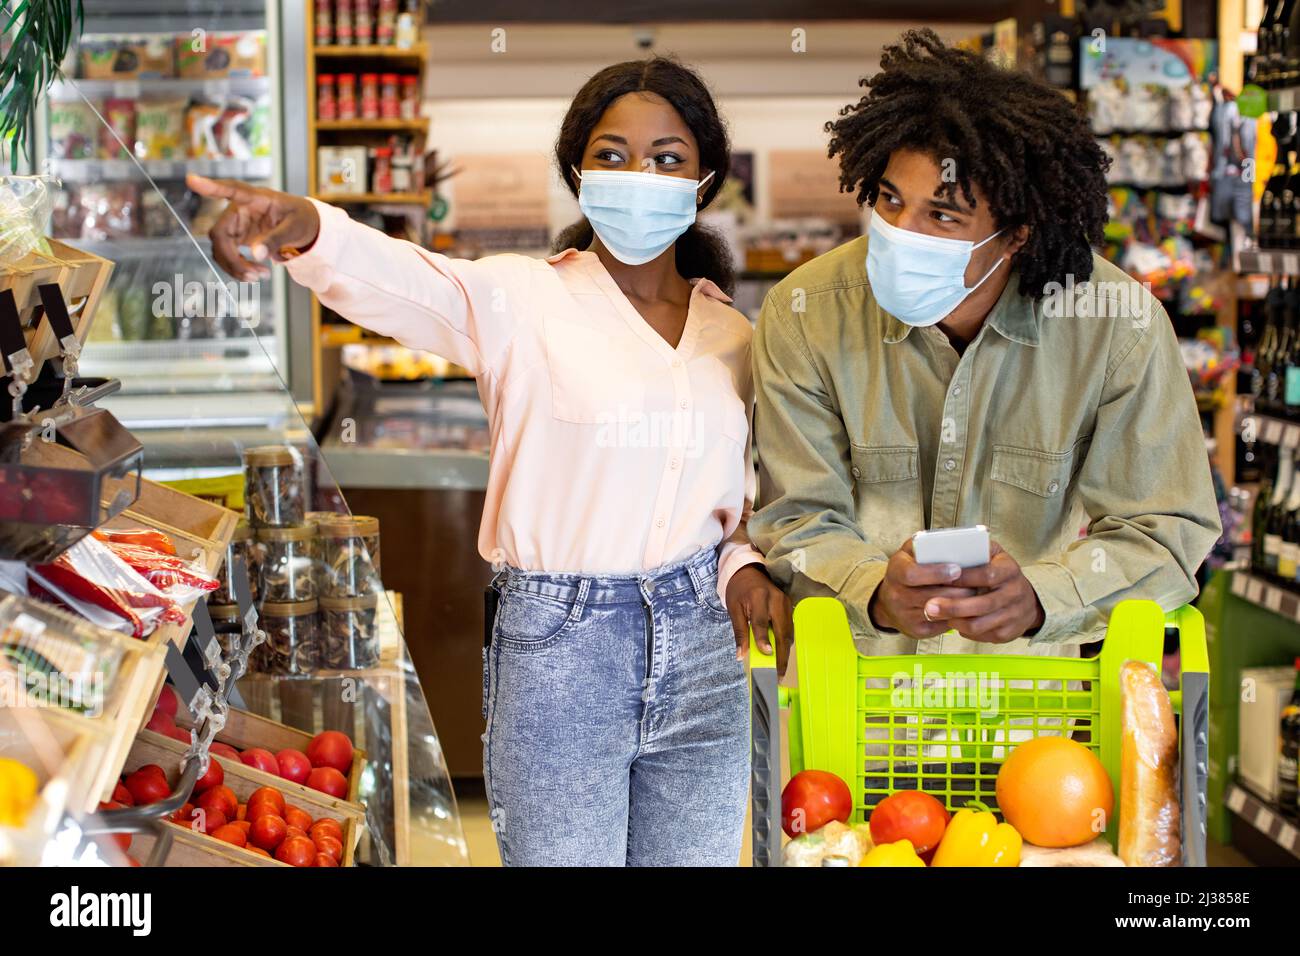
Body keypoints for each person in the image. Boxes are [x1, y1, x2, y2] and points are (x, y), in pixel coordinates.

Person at [190, 55, 793, 867]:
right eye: (612, 155)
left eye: (666, 157)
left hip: (702, 645)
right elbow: (405, 281)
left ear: (704, 178)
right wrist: (304, 223)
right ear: (577, 172)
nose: (639, 175)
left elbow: (741, 499)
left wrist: (744, 563)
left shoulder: (736, 336)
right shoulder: (519, 298)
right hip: (561, 646)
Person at [749, 30, 1221, 656]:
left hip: (1037, 710)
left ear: (1016, 236)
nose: (901, 232)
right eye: (890, 200)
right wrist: (871, 591)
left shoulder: (1116, 325)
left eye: (942, 216)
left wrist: (1045, 596)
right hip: (858, 703)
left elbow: (1165, 531)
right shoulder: (805, 313)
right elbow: (795, 519)